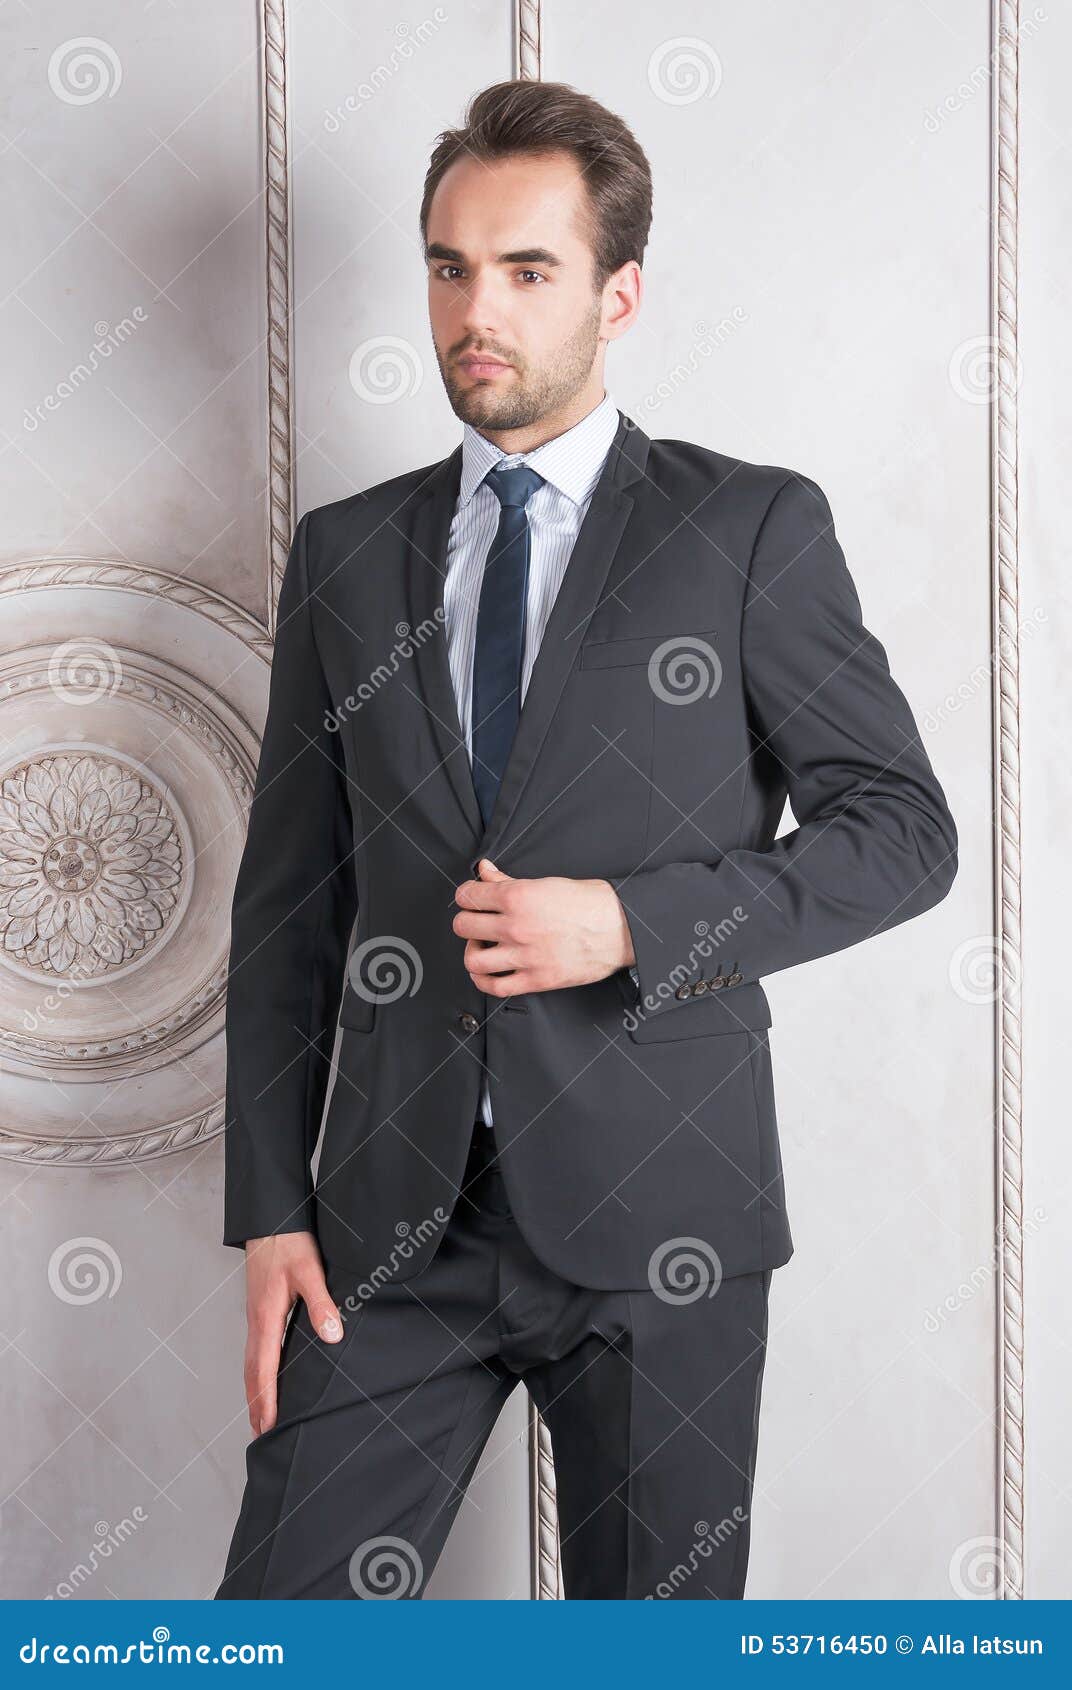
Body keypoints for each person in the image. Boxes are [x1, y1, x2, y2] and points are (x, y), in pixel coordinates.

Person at [215, 79, 957, 1600]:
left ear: (620, 295)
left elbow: (903, 831)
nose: (475, 311)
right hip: (390, 1230)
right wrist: (272, 1211)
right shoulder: (345, 554)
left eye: (526, 269)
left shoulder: (745, 530)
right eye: (449, 267)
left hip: (665, 1227)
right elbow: (287, 907)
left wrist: (630, 924)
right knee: (276, 1636)